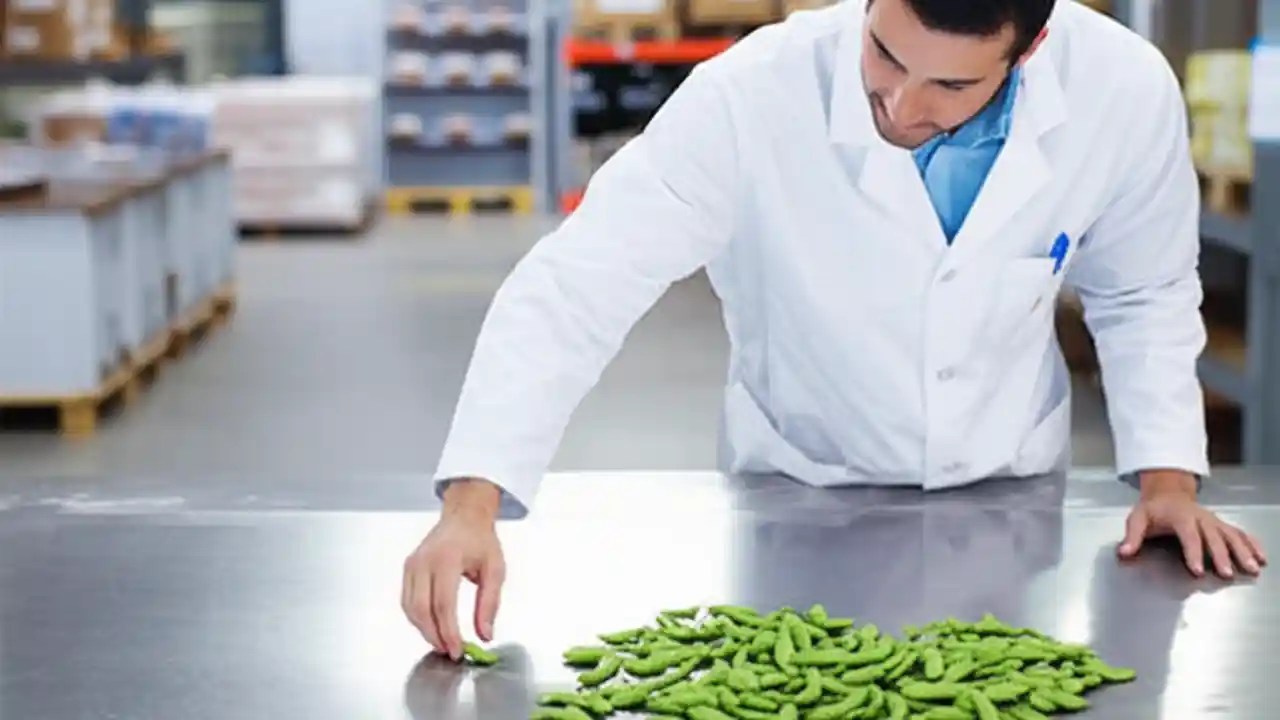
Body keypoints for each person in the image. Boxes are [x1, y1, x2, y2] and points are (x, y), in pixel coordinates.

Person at [402, 0, 1268, 659]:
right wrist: (472, 502)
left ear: (1029, 48)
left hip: (1006, 499)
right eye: (884, 54)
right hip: (798, 495)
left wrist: (1167, 483)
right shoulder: (750, 93)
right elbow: (580, 281)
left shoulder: (1121, 89)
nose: (897, 103)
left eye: (951, 86)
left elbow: (1144, 290)